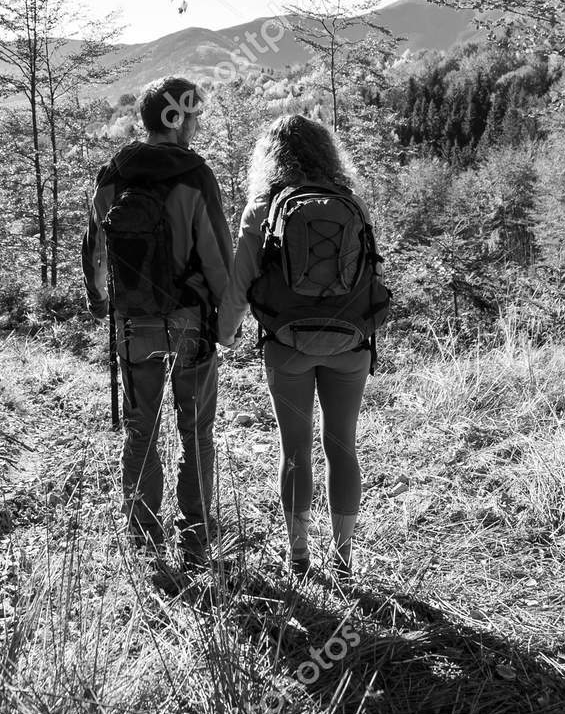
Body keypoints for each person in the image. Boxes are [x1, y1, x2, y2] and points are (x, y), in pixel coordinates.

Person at [219, 113, 387, 580]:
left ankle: (299, 556)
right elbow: (371, 277)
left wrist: (225, 336)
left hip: (286, 343)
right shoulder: (352, 203)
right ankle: (345, 557)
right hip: (349, 344)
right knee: (343, 448)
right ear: (326, 152)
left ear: (272, 157)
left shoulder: (262, 207)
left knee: (294, 449)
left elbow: (239, 285)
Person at [83, 76, 235, 569]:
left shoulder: (114, 172)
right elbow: (217, 255)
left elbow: (95, 247)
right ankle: (196, 536)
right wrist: (227, 320)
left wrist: (100, 300)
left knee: (141, 426)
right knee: (195, 430)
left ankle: (144, 533)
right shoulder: (196, 175)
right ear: (176, 118)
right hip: (190, 319)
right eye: (192, 115)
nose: (196, 124)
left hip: (134, 321)